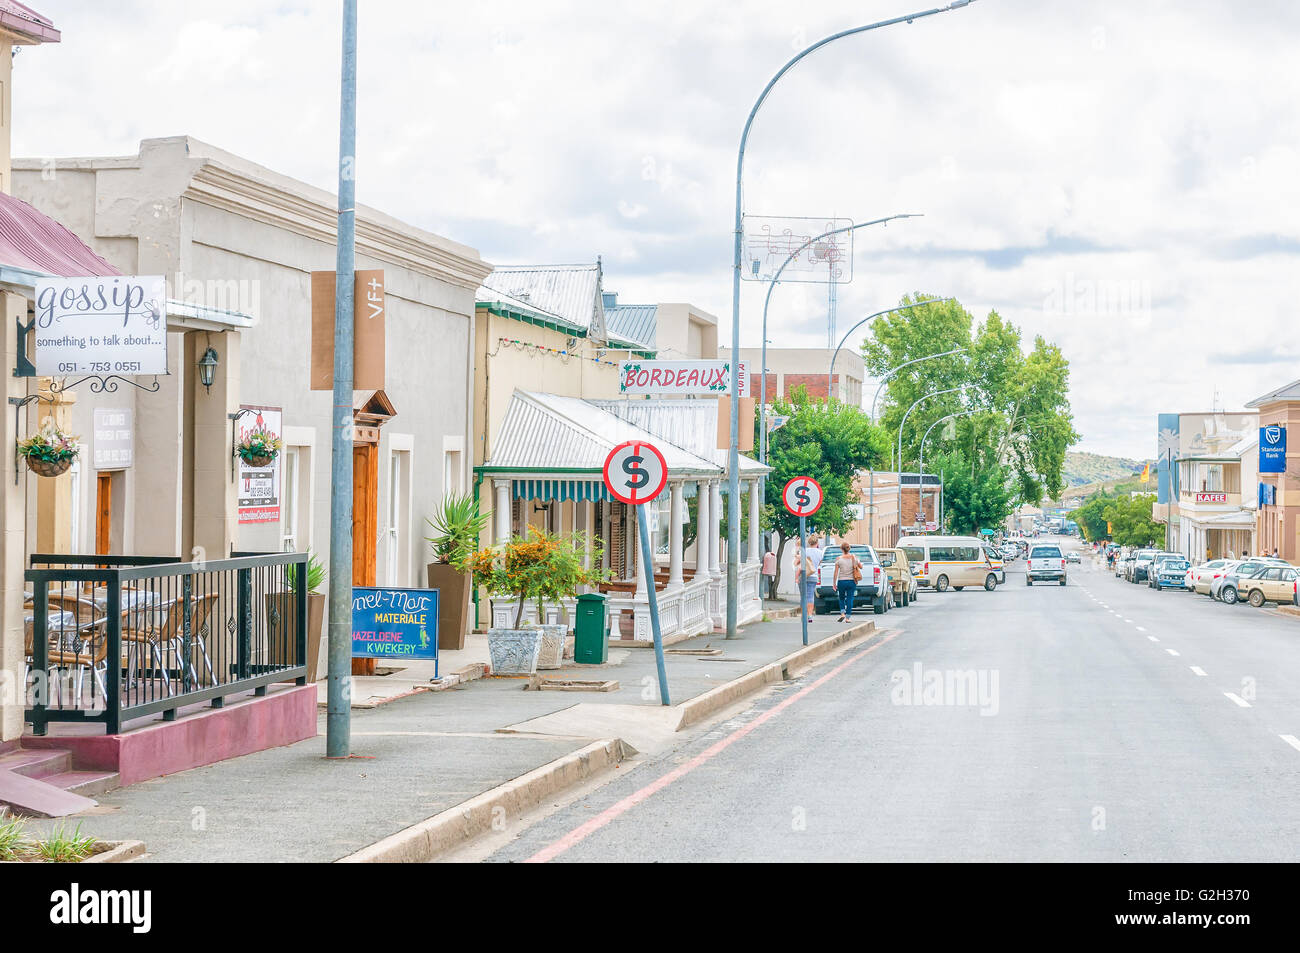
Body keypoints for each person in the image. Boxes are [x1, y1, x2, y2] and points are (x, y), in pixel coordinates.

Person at [831, 542, 862, 623]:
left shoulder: (838, 559)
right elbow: (861, 566)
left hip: (841, 581)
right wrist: (857, 561)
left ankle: (842, 614)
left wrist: (834, 583)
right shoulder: (854, 557)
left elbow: (835, 572)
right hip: (852, 581)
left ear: (841, 549)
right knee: (850, 598)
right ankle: (848, 618)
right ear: (849, 549)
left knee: (841, 598)